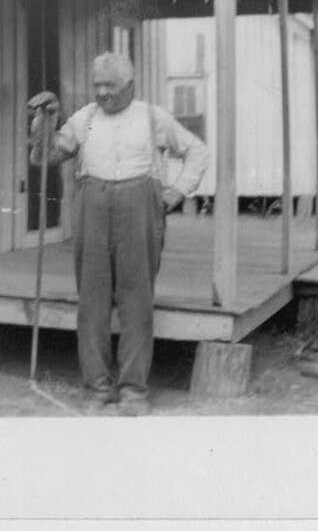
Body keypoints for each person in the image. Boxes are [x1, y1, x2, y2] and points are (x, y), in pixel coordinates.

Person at [28, 51, 208, 415]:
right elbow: (44, 157)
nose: (102, 92)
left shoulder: (151, 116)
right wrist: (45, 121)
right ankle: (97, 388)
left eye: (110, 85)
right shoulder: (85, 117)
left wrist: (176, 192)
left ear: (130, 85)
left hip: (139, 203)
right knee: (92, 301)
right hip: (92, 203)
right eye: (97, 85)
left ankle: (133, 391)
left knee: (136, 300)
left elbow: (197, 151)